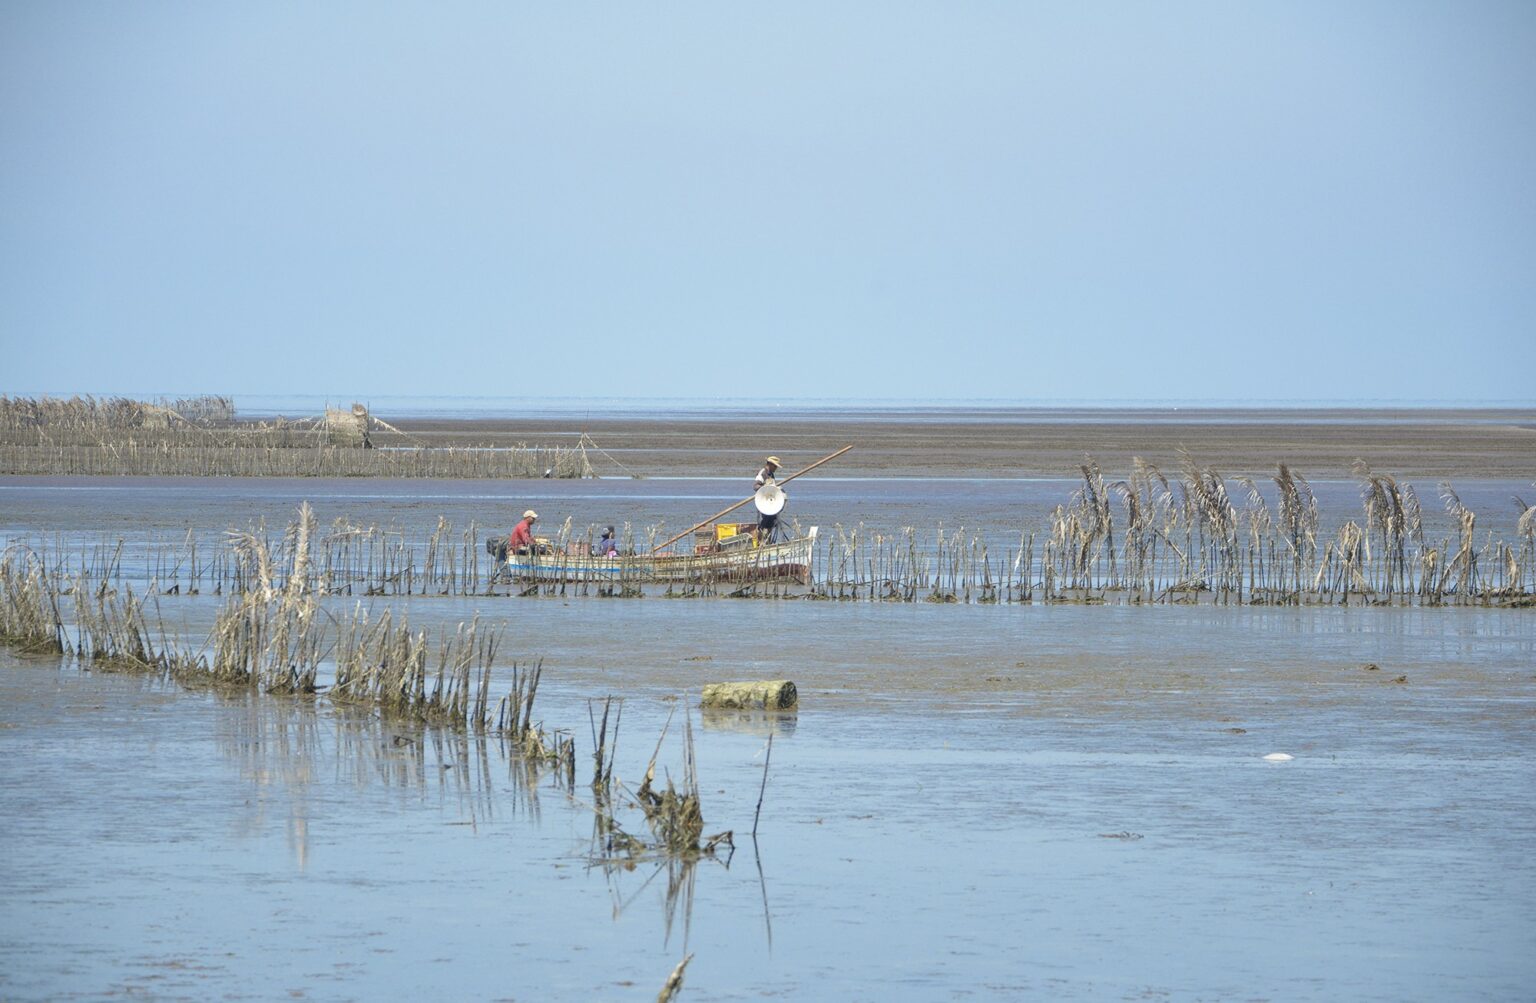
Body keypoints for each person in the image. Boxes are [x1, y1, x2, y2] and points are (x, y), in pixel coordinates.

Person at [754, 456, 783, 542]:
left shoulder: (771, 474)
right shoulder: (762, 473)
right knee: (765, 523)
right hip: (764, 503)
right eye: (775, 466)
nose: (776, 468)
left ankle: (768, 542)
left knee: (771, 521)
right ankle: (760, 542)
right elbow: (755, 486)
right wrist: (765, 486)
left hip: (771, 502)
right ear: (770, 464)